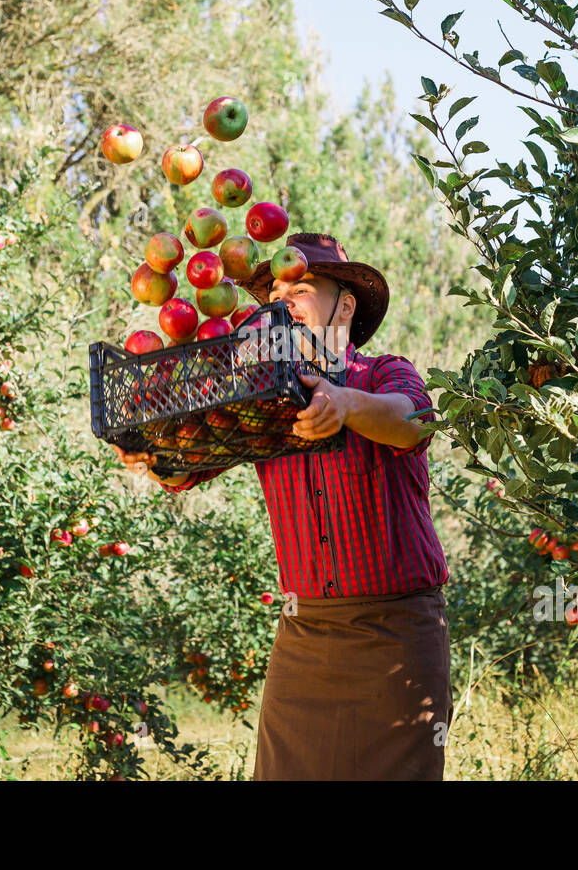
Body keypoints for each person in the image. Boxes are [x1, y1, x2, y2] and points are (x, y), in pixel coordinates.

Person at [111, 233, 451, 780]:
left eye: (302, 285)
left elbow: (412, 423)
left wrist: (344, 403)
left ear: (344, 305)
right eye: (275, 289)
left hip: (397, 634)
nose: (282, 296)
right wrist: (151, 454)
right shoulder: (261, 398)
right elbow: (188, 467)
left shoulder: (382, 373)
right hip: (305, 634)